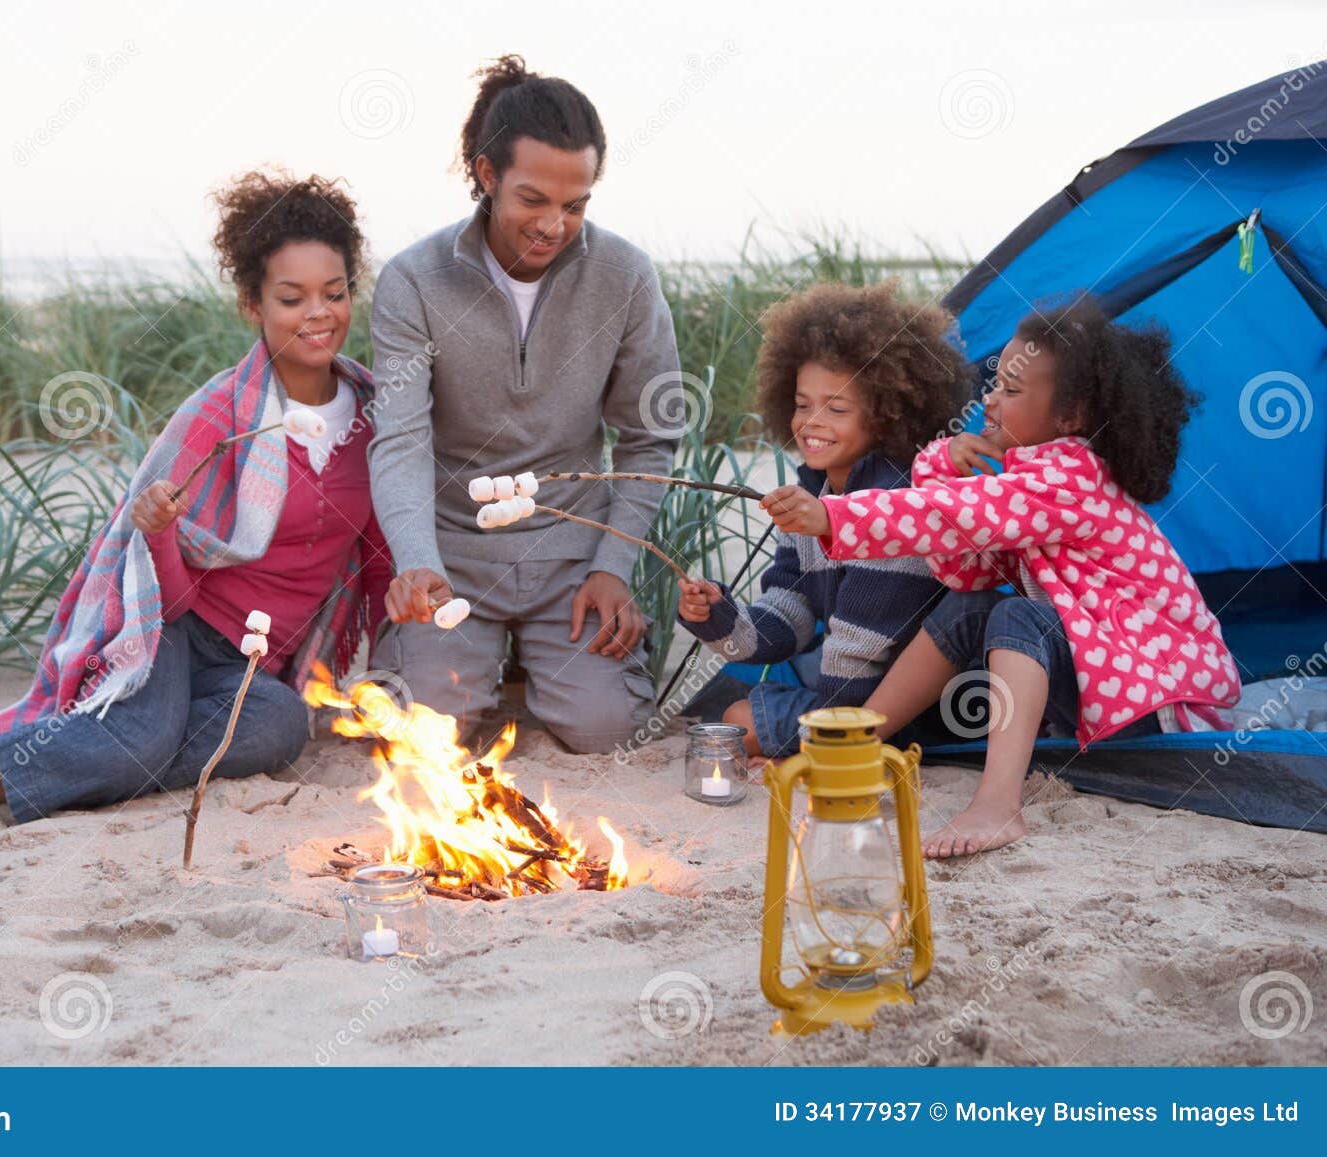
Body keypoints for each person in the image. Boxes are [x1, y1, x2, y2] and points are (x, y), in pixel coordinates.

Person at [0, 171, 391, 823]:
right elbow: (165, 594)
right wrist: (161, 530)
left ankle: (96, 755)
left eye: (333, 294)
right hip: (171, 628)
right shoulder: (219, 416)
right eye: (291, 297)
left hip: (249, 664)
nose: (318, 314)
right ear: (252, 304)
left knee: (278, 726)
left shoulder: (373, 416)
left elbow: (379, 558)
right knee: (141, 735)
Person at [762, 301, 1239, 857]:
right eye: (995, 383)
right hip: (1108, 679)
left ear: (1071, 415)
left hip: (1162, 703)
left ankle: (996, 804)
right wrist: (942, 464)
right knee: (975, 605)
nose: (990, 398)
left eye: (1011, 391)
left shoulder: (1069, 477)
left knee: (1021, 617)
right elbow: (966, 566)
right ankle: (860, 740)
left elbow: (942, 517)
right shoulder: (1030, 475)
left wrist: (833, 517)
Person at [367, 55, 682, 753]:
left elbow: (648, 438)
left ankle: (541, 667)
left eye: (575, 205)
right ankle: (471, 666)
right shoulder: (412, 281)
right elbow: (399, 439)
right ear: (486, 176)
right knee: (426, 734)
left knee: (605, 730)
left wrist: (613, 567)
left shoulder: (626, 276)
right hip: (453, 550)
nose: (553, 224)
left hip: (571, 551)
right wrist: (419, 562)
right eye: (532, 200)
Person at [677, 282, 971, 757]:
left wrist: (827, 741)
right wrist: (716, 616)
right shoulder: (812, 492)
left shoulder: (897, 501)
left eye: (837, 408)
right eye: (801, 403)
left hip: (900, 712)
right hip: (842, 689)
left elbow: (859, 648)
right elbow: (786, 618)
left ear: (886, 415)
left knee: (743, 723)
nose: (811, 422)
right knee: (737, 717)